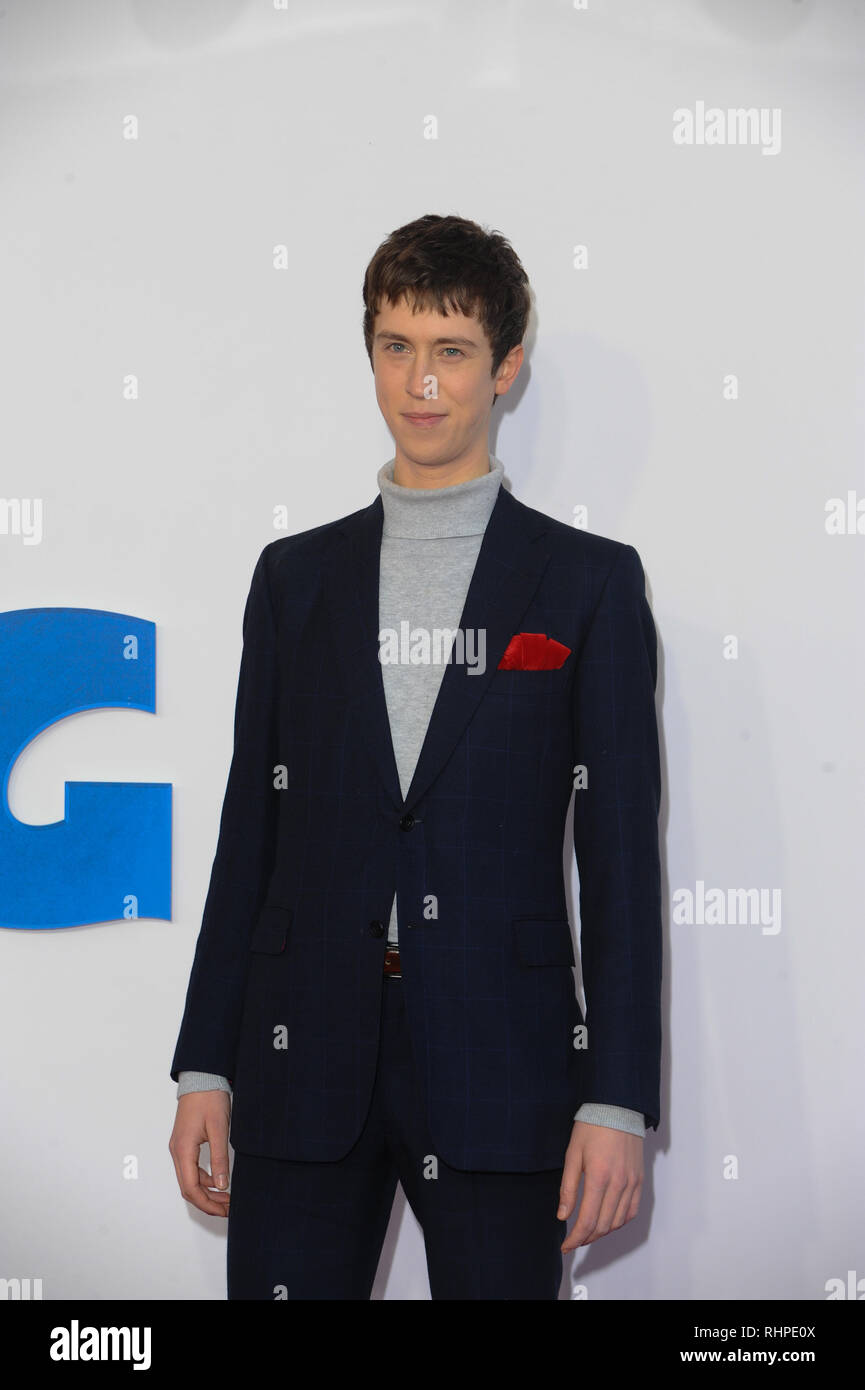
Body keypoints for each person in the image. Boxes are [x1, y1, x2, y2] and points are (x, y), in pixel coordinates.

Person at [168, 213, 662, 1300]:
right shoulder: (293, 579)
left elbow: (621, 862)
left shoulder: (587, 584)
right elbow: (249, 834)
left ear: (507, 367)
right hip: (301, 1054)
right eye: (396, 346)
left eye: (450, 351)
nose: (421, 382)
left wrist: (617, 1097)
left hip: (506, 1060)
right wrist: (205, 1061)